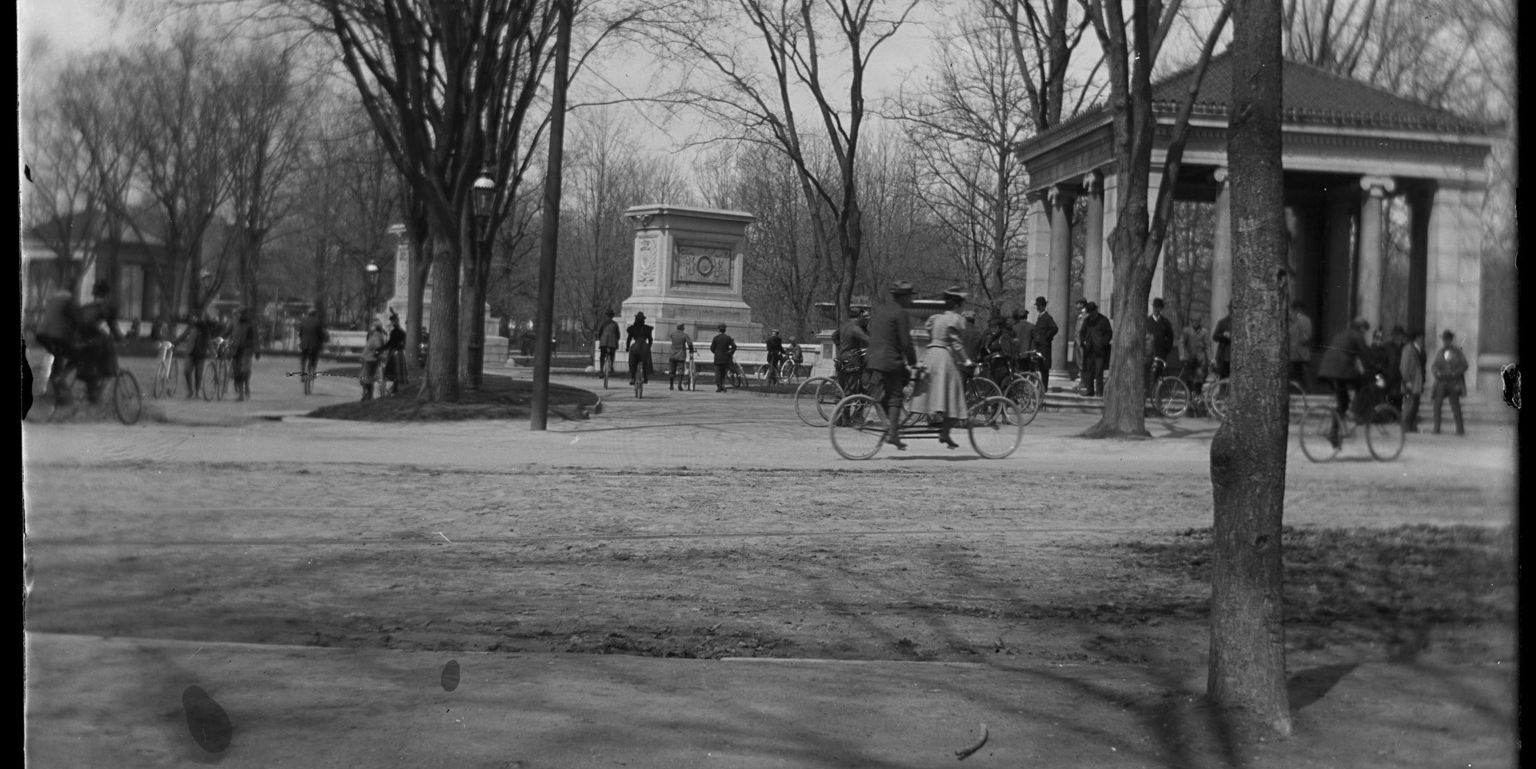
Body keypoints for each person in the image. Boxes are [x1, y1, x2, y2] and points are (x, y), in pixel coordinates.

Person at [910, 287, 973, 449]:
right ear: (958, 305)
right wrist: (966, 361)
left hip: (930, 354)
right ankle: (945, 432)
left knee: (933, 391)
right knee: (956, 394)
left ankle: (936, 419)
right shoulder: (954, 319)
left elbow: (933, 336)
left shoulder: (936, 318)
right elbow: (956, 343)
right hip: (943, 358)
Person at [866, 280, 919, 449]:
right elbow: (906, 342)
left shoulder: (881, 311)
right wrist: (914, 362)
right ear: (903, 297)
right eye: (909, 297)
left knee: (884, 394)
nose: (910, 300)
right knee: (896, 396)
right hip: (889, 360)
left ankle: (889, 422)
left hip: (873, 358)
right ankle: (893, 434)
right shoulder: (901, 313)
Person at [1316, 318, 1371, 444]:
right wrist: (1374, 368)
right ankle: (1355, 411)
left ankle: (1333, 433)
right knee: (1363, 384)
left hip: (1326, 370)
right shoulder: (1357, 335)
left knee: (1343, 402)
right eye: (1365, 330)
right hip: (1341, 370)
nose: (1365, 333)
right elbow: (1365, 354)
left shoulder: (1342, 334)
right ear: (1362, 328)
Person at [76, 279, 123, 402]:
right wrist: (120, 338)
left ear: (94, 293)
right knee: (108, 365)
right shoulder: (106, 307)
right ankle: (96, 395)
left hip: (82, 342)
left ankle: (93, 396)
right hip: (98, 343)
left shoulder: (85, 307)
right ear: (107, 294)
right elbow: (113, 326)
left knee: (90, 368)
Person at [35, 288, 80, 405]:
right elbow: (75, 319)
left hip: (42, 334)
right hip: (57, 335)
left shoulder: (52, 298)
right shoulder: (69, 300)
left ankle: (55, 393)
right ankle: (59, 386)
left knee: (57, 358)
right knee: (77, 357)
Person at [1431, 329, 1468, 435]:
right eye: (1444, 340)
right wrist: (1436, 372)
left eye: (1447, 339)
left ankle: (1460, 430)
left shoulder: (1457, 352)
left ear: (1451, 340)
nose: (1445, 342)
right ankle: (1436, 428)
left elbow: (1464, 365)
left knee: (1455, 406)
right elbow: (1434, 366)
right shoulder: (1440, 352)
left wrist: (1455, 373)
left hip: (1453, 382)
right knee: (1437, 405)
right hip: (1441, 382)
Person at [176, 310, 216, 398]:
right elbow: (183, 336)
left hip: (201, 354)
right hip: (191, 353)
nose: (196, 319)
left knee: (198, 374)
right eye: (196, 318)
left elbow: (208, 342)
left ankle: (197, 391)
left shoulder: (206, 329)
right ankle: (190, 390)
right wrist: (175, 342)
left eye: (199, 318)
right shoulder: (191, 327)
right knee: (187, 371)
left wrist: (213, 352)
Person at [833, 309, 871, 394]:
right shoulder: (856, 328)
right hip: (852, 359)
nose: (866, 320)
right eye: (865, 318)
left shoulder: (844, 325)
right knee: (851, 386)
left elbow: (834, 336)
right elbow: (868, 340)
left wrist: (841, 347)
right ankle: (847, 405)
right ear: (859, 317)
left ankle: (842, 399)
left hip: (841, 356)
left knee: (843, 383)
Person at [1079, 301, 1113, 397]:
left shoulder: (1103, 320)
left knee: (1099, 372)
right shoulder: (1087, 320)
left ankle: (1099, 391)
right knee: (1089, 371)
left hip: (1100, 351)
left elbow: (1109, 333)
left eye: (1092, 312)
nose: (1091, 314)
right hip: (1089, 350)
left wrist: (1103, 343)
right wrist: (1083, 341)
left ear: (1095, 310)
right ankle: (1090, 390)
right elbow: (1082, 332)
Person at [1146, 298, 1175, 396]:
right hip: (1148, 353)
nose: (1155, 309)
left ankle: (1156, 394)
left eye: (1157, 307)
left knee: (1158, 374)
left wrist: (1165, 349)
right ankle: (1148, 393)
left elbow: (1170, 338)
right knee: (1147, 374)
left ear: (1160, 309)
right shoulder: (1147, 321)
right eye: (1154, 307)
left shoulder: (1165, 322)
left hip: (1160, 353)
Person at [229, 308, 259, 401]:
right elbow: (227, 332)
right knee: (237, 372)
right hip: (236, 350)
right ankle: (241, 394)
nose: (240, 315)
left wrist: (257, 351)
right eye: (239, 314)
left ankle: (246, 386)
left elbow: (255, 338)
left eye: (242, 314)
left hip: (247, 350)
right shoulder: (235, 323)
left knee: (244, 370)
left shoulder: (251, 324)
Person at [1399, 329, 1426, 432]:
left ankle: (1411, 426)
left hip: (1417, 382)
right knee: (1409, 404)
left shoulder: (1419, 350)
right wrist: (1407, 381)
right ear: (1417, 338)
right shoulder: (1408, 349)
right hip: (1411, 382)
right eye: (1421, 338)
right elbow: (1404, 366)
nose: (1423, 340)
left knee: (1415, 404)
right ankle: (1405, 426)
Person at [1031, 296, 1058, 394]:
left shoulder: (1047, 317)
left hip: (1044, 347)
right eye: (1037, 305)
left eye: (1038, 306)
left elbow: (1054, 328)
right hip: (1039, 346)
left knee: (1044, 368)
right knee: (1040, 367)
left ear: (1043, 306)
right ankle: (1041, 387)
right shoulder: (1041, 316)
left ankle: (1044, 388)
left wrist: (1046, 337)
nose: (1037, 308)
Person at [298, 308, 329, 389]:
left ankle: (302, 373)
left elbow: (300, 334)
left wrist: (303, 339)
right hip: (314, 345)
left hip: (304, 345)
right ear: (315, 314)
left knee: (303, 359)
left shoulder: (303, 321)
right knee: (314, 359)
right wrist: (323, 341)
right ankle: (312, 372)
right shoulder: (318, 322)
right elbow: (321, 335)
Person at [358, 319, 388, 401]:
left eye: (373, 326)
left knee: (366, 378)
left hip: (370, 359)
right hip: (369, 358)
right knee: (366, 378)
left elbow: (378, 346)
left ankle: (368, 394)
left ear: (376, 327)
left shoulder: (377, 336)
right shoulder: (376, 335)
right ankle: (368, 394)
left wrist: (376, 354)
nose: (371, 327)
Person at [1179, 316, 1208, 393]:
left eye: (1198, 321)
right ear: (1191, 322)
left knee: (1199, 379)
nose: (1196, 323)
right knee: (1189, 379)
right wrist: (1182, 355)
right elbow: (1181, 343)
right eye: (1194, 321)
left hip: (1200, 359)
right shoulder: (1186, 331)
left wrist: (1211, 358)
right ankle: (1189, 398)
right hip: (1189, 358)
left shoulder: (1204, 331)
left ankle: (1197, 396)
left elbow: (1207, 346)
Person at [1288, 301, 1313, 390]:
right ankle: (1300, 389)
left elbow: (1307, 334)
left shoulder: (1304, 319)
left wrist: (1300, 342)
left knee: (1304, 369)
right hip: (1294, 349)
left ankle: (1308, 388)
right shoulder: (1292, 320)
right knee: (1296, 370)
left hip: (1301, 349)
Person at [625, 312, 654, 386]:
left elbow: (629, 339)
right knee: (646, 361)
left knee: (632, 360)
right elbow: (650, 339)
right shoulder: (647, 329)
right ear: (643, 320)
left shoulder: (632, 328)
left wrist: (627, 347)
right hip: (644, 346)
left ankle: (632, 377)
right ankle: (645, 376)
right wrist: (649, 347)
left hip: (636, 346)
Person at [384, 313, 408, 393]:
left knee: (395, 370)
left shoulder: (396, 331)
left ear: (395, 321)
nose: (391, 323)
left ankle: (395, 388)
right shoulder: (398, 331)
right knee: (394, 370)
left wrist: (383, 348)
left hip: (395, 352)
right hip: (397, 351)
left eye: (392, 321)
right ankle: (395, 387)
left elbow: (391, 342)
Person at [709, 323, 737, 392]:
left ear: (718, 330)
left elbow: (712, 348)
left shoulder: (716, 338)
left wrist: (716, 353)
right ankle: (722, 385)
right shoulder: (728, 338)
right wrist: (730, 353)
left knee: (717, 373)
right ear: (725, 330)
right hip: (725, 358)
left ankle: (719, 386)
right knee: (723, 373)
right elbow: (734, 347)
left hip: (717, 358)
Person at [667, 323, 695, 391]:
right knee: (680, 370)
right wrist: (691, 350)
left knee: (671, 371)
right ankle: (679, 384)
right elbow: (690, 343)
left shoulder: (672, 334)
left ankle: (671, 385)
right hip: (681, 355)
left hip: (672, 354)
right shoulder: (684, 335)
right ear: (682, 328)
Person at [596, 309, 621, 379]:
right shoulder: (615, 324)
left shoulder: (603, 323)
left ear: (606, 316)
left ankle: (601, 371)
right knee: (612, 354)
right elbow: (618, 334)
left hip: (603, 342)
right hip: (612, 343)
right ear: (612, 316)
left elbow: (600, 332)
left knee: (602, 356)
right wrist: (617, 340)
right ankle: (611, 366)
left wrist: (600, 339)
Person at [1212, 306, 1233, 379]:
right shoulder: (1222, 322)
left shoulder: (1240, 322)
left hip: (1236, 357)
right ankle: (1222, 390)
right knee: (1223, 379)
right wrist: (1223, 335)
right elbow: (1214, 336)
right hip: (1225, 356)